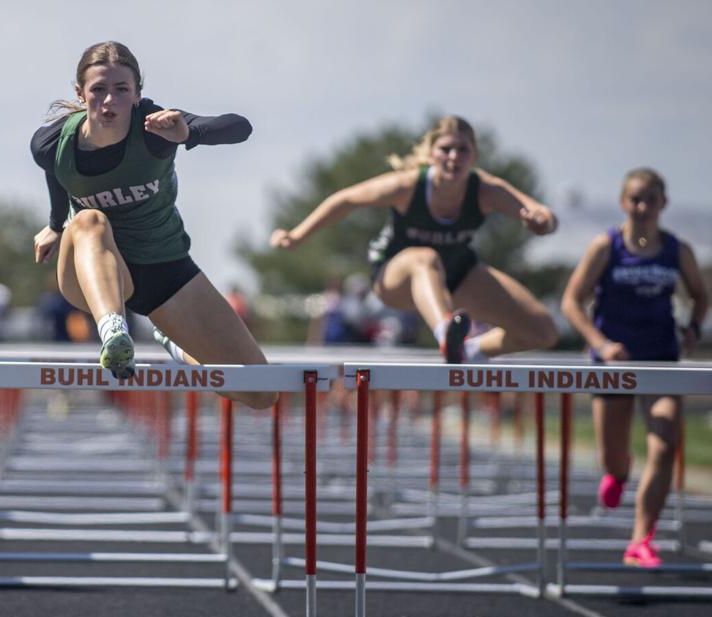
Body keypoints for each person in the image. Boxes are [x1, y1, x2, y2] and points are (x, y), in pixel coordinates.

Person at [31, 41, 274, 409]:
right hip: (94, 275)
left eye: (121, 90)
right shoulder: (50, 143)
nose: (109, 101)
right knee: (89, 220)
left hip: (165, 270)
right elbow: (58, 173)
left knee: (259, 392)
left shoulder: (154, 127)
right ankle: (114, 329)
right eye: (98, 90)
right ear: (80, 94)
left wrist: (188, 133)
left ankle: (174, 345)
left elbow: (241, 127)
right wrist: (54, 224)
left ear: (137, 94)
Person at [271, 115, 559, 363]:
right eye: (446, 149)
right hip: (396, 278)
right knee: (425, 257)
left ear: (474, 156)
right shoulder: (408, 186)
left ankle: (468, 349)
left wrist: (543, 222)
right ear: (431, 153)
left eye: (463, 150)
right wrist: (297, 234)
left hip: (456, 274)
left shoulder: (486, 189)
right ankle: (446, 333)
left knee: (541, 331)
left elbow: (541, 213)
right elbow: (345, 200)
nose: (454, 157)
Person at [561, 168, 706, 567]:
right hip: (614, 364)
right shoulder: (606, 246)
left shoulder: (677, 250)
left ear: (664, 203)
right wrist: (601, 344)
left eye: (650, 199)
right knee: (612, 456)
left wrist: (693, 327)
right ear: (624, 203)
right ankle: (618, 473)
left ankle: (642, 538)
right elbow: (571, 302)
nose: (642, 207)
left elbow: (699, 295)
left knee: (665, 444)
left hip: (660, 359)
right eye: (635, 199)